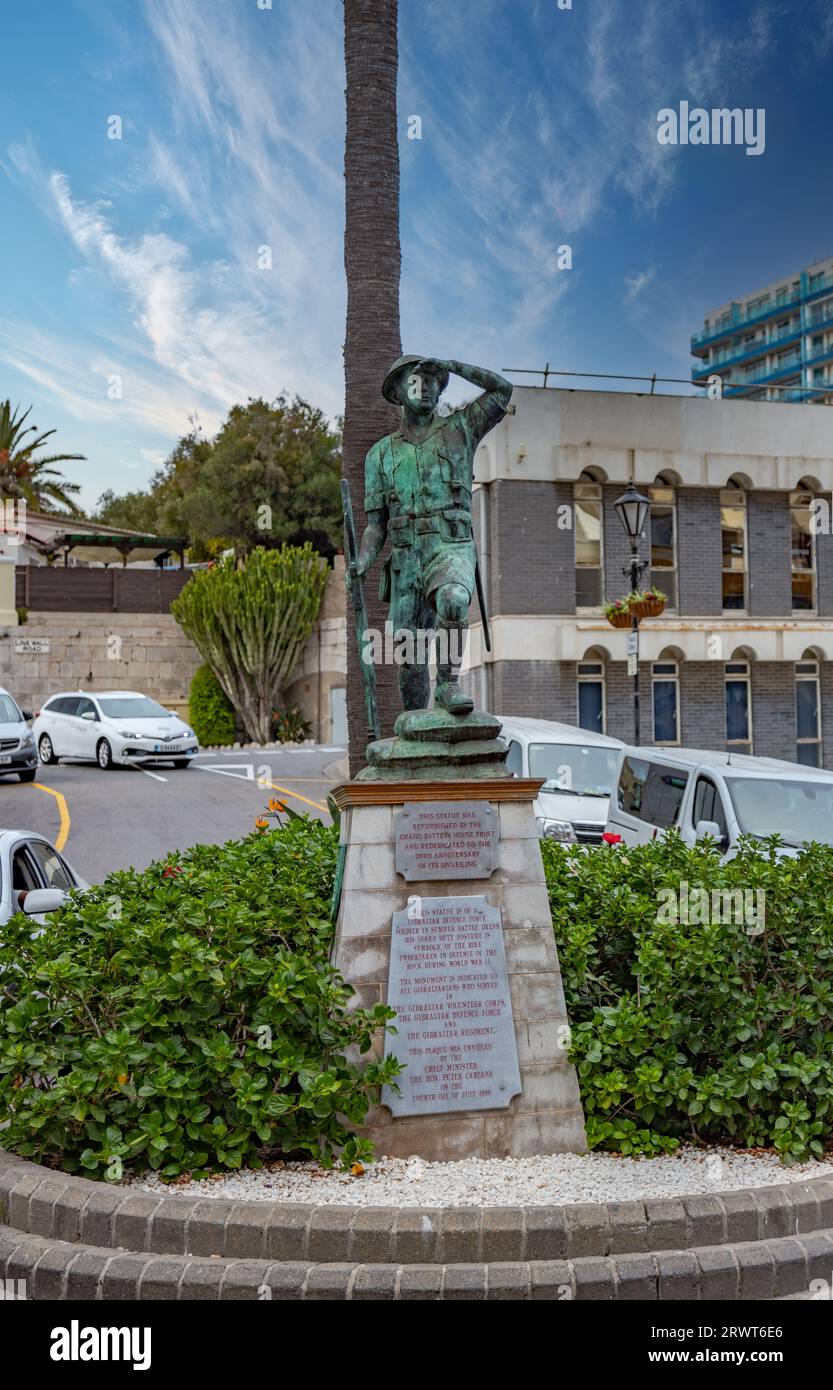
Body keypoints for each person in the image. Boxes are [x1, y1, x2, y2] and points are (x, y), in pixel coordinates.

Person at [356, 355, 512, 714]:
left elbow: (502, 390)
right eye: (415, 380)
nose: (424, 387)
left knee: (455, 600)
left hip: (450, 544)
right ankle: (413, 721)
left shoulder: (461, 428)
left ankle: (448, 685)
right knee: (408, 651)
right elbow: (375, 525)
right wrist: (363, 561)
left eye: (432, 381)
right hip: (406, 556)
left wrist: (452, 366)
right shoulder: (380, 456)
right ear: (396, 392)